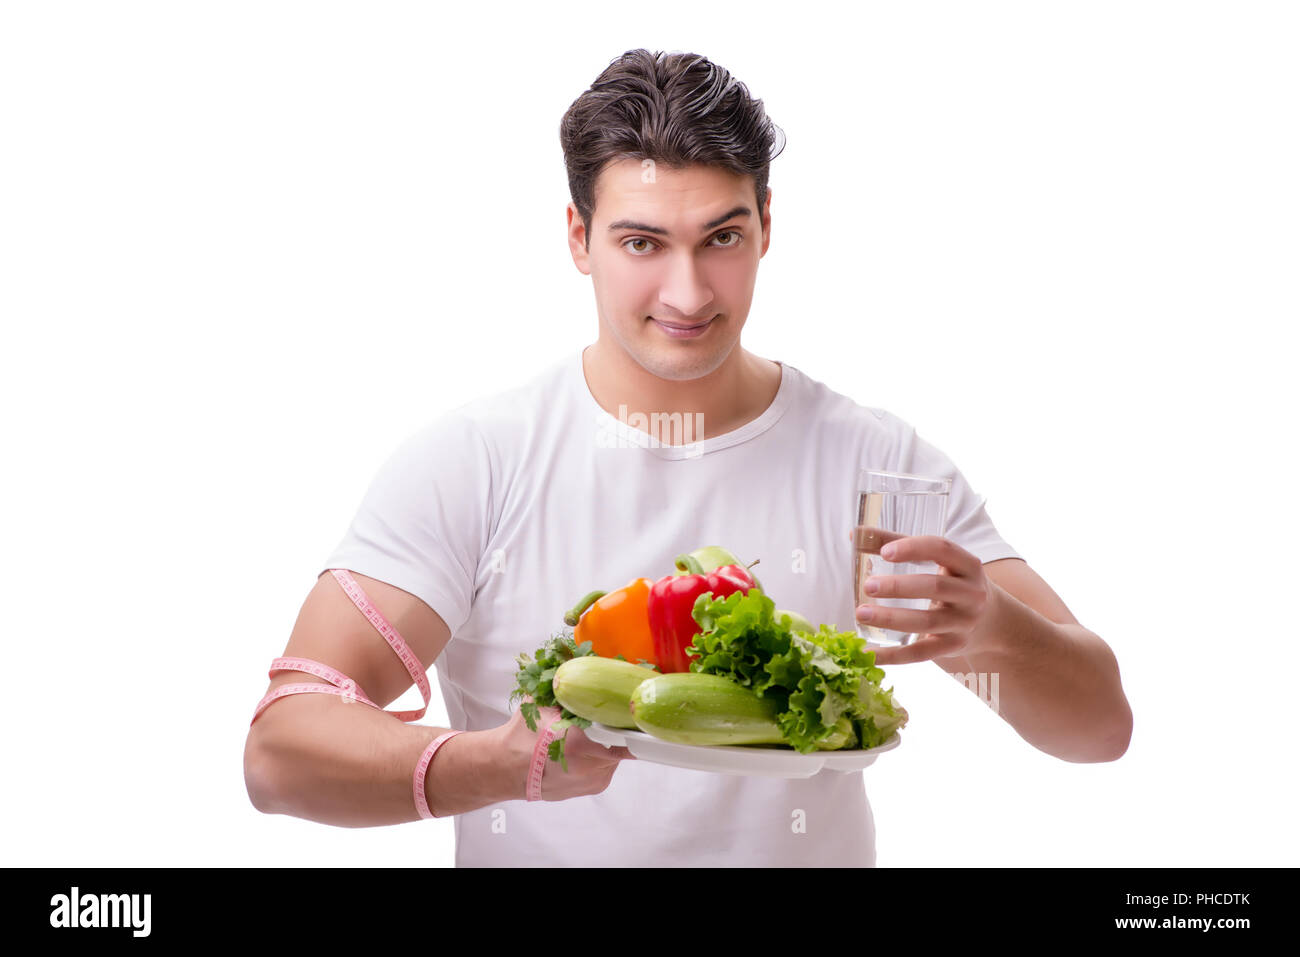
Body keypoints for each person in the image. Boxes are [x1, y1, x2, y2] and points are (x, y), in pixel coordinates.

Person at [242, 48, 1132, 867]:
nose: (689, 292)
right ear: (577, 237)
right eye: (642, 243)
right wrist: (495, 764)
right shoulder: (476, 461)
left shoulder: (876, 466)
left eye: (722, 237)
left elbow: (1098, 728)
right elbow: (280, 753)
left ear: (767, 225)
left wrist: (990, 630)